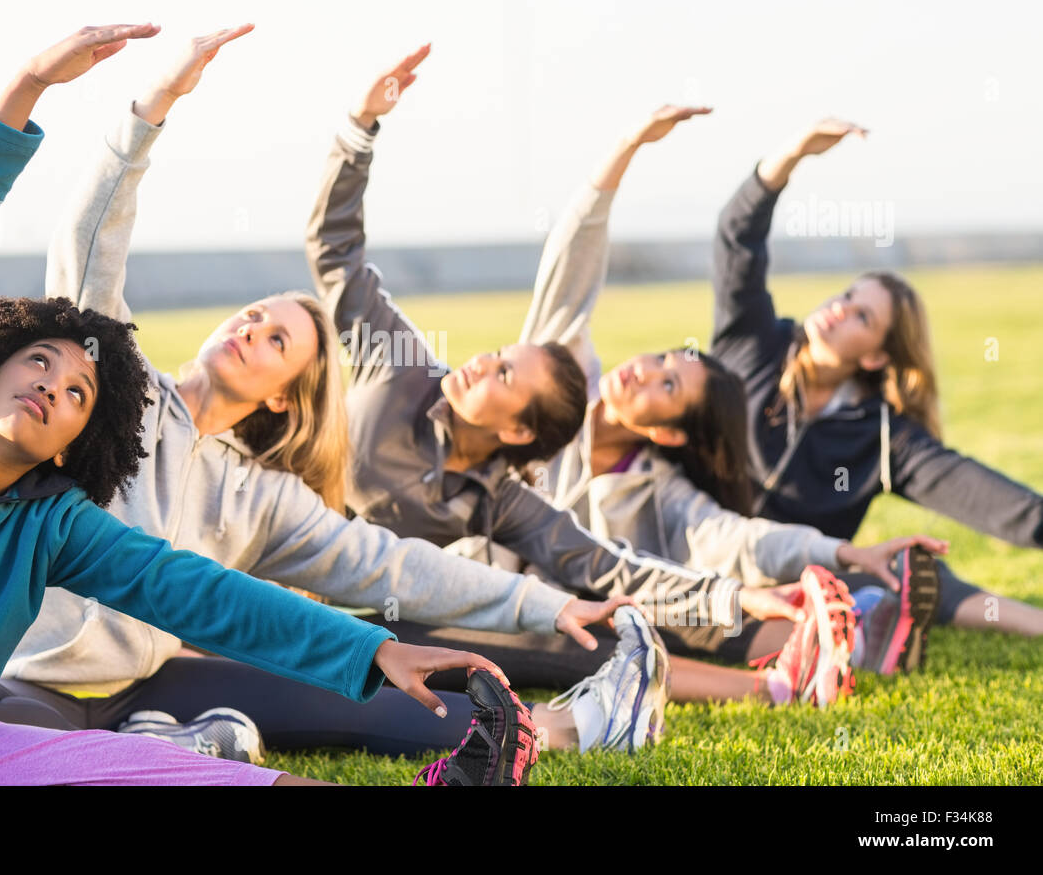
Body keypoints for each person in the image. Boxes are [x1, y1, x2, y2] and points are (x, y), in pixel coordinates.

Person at [0, 24, 527, 788]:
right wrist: (27, 90)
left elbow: (201, 594)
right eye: (38, 359)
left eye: (79, 391)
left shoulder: (56, 523)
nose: (54, 382)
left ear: (78, 442)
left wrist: (375, 653)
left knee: (175, 774)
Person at [0, 25, 671, 758]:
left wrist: (551, 603)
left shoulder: (261, 498)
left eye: (277, 339)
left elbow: (393, 566)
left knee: (349, 664)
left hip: (143, 682)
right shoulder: (116, 391)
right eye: (252, 316)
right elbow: (88, 251)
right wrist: (149, 112)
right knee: (9, 738)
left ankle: (574, 728)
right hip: (25, 678)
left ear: (283, 397)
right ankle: (166, 750)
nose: (251, 328)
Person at [305, 44, 860, 713]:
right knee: (551, 613)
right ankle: (773, 666)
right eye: (503, 353)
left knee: (565, 616)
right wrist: (360, 127)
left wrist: (734, 593)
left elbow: (612, 569)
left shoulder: (507, 500)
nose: (482, 359)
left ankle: (783, 673)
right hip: (266, 565)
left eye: (506, 371)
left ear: (516, 427)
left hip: (370, 624)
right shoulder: (402, 366)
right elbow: (337, 251)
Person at [516, 102, 950, 674]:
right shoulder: (562, 388)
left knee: (653, 617)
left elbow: (743, 540)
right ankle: (846, 629)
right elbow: (569, 267)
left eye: (667, 383)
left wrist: (843, 553)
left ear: (668, 433)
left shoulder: (658, 489)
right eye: (663, 359)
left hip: (554, 613)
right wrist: (627, 146)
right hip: (454, 570)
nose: (643, 369)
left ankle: (853, 631)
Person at [709, 117, 1043, 637]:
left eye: (863, 317)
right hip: (688, 552)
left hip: (790, 582)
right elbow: (737, 240)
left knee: (910, 570)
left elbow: (994, 501)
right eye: (847, 296)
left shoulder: (884, 436)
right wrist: (790, 157)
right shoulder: (753, 344)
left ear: (875, 358)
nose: (840, 310)